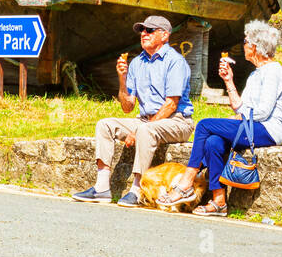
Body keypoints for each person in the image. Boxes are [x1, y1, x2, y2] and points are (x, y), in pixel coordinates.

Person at [159, 19, 282, 217]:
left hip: (267, 130)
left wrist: (239, 117)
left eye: (245, 42)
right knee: (212, 142)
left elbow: (262, 112)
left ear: (255, 47)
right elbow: (240, 106)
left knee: (203, 125)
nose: (243, 45)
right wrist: (228, 80)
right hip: (251, 126)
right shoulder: (256, 74)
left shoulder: (273, 72)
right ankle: (219, 201)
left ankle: (187, 181)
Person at [72, 15, 194, 206]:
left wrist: (138, 130)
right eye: (142, 30)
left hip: (177, 121)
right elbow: (127, 107)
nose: (144, 34)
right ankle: (102, 188)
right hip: (147, 120)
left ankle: (138, 190)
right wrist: (122, 78)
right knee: (105, 125)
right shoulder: (138, 63)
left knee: (145, 129)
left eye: (150, 30)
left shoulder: (175, 62)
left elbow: (171, 104)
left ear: (164, 35)